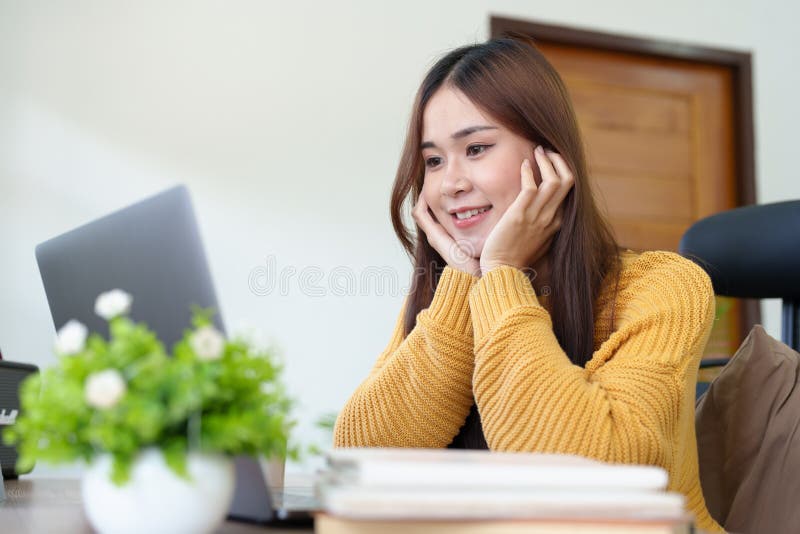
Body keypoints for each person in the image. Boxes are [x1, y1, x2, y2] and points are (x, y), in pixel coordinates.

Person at [333, 37, 722, 532]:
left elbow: (601, 474)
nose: (450, 183)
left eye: (476, 149)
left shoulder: (665, 286)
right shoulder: (445, 297)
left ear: (549, 159)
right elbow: (362, 459)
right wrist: (465, 277)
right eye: (433, 161)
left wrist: (500, 276)